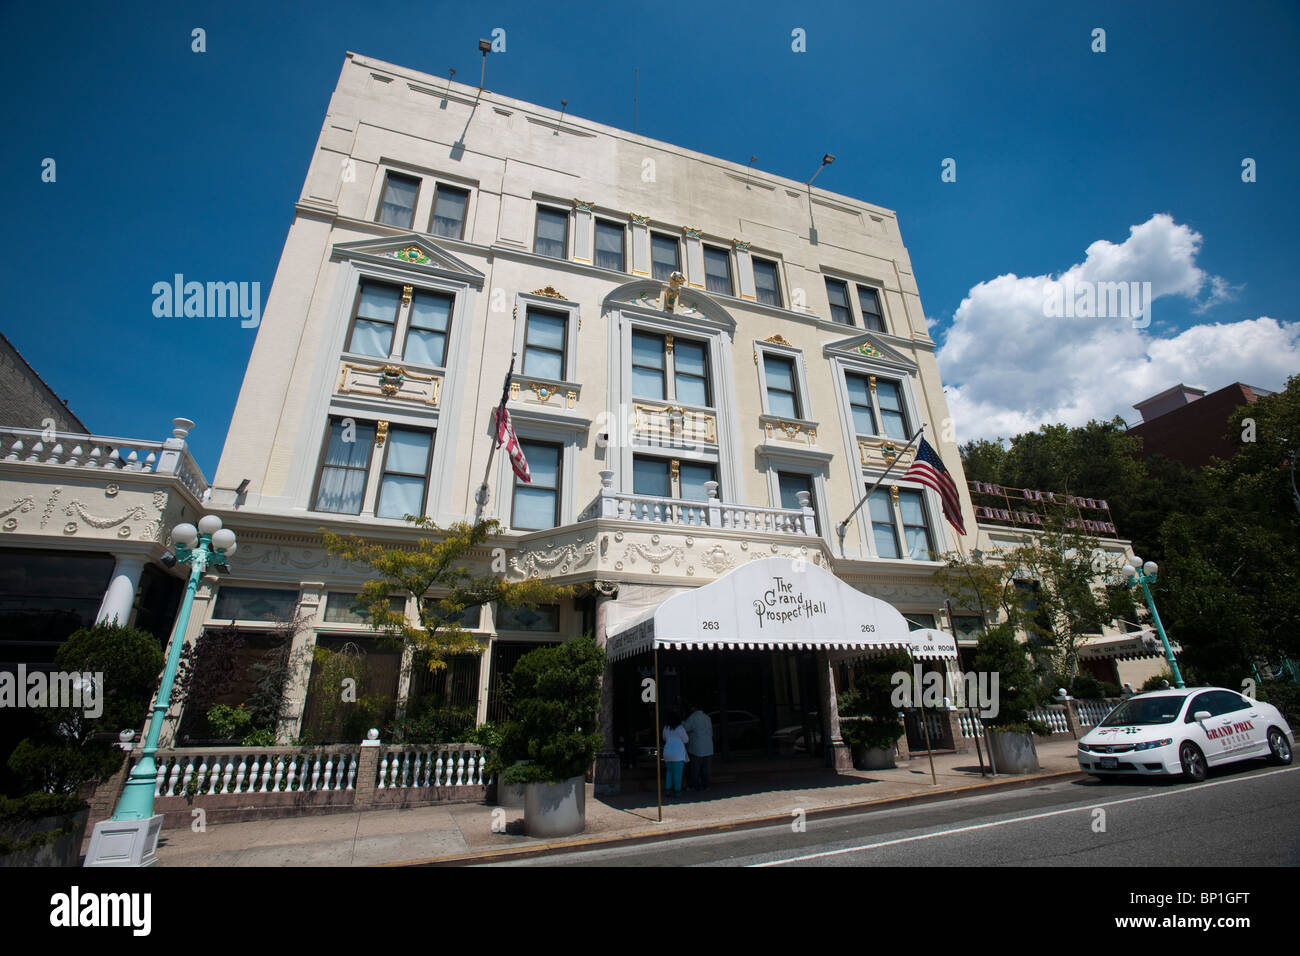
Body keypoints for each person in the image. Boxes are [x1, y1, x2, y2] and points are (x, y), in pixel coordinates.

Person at [682, 701, 714, 791]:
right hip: (709, 748)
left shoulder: (693, 718)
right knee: (706, 770)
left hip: (697, 748)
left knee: (695, 769)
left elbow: (685, 728)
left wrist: (682, 722)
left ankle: (694, 786)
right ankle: (706, 785)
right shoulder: (707, 718)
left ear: (693, 708)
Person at [662, 711, 689, 797]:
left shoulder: (665, 728)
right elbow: (686, 740)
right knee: (678, 773)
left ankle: (668, 790)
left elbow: (664, 738)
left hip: (667, 752)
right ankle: (678, 791)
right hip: (678, 753)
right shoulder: (680, 728)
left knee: (669, 772)